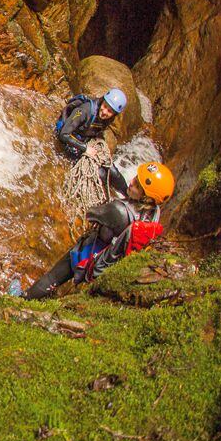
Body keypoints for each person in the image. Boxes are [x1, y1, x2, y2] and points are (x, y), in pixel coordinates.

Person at [20, 161, 174, 299]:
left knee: (53, 277)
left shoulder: (119, 211)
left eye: (137, 185)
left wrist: (109, 206)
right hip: (113, 261)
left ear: (146, 198)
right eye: (135, 178)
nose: (132, 182)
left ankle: (21, 299)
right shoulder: (155, 211)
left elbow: (92, 214)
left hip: (93, 254)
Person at [55, 87, 129, 195]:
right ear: (102, 100)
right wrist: (85, 148)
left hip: (85, 140)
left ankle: (128, 196)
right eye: (104, 106)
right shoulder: (84, 111)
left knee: (112, 170)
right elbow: (63, 135)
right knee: (101, 174)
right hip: (71, 141)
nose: (104, 112)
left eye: (109, 111)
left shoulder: (107, 118)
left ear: (114, 114)